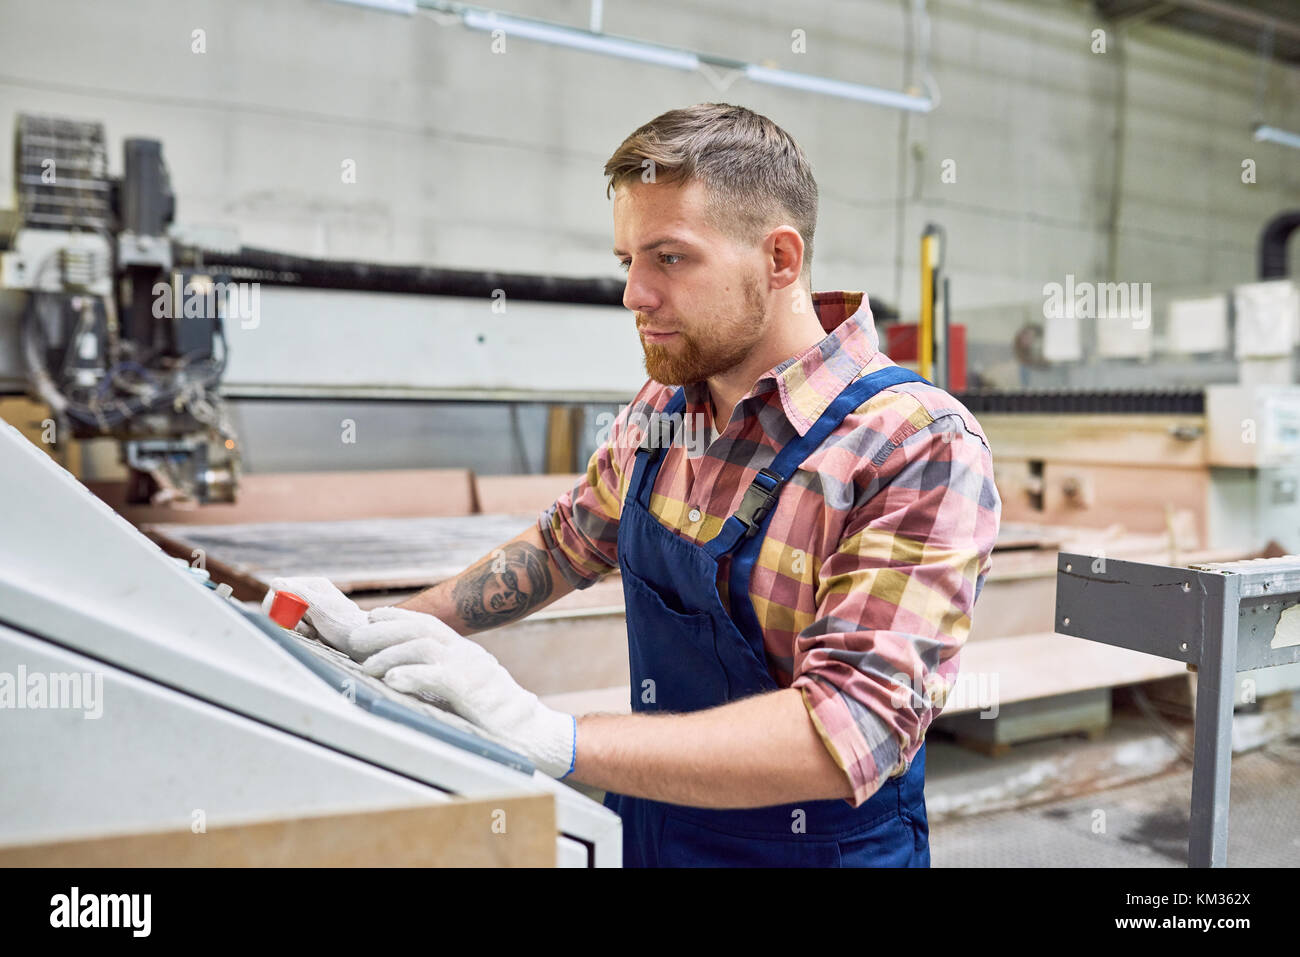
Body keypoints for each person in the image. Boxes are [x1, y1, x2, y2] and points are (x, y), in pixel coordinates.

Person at [271, 102, 1001, 868]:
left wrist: (553, 733)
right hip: (650, 832)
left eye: (670, 258)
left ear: (779, 260)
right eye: (628, 261)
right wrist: (387, 628)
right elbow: (566, 543)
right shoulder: (667, 406)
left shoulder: (911, 444)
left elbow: (853, 723)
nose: (634, 294)